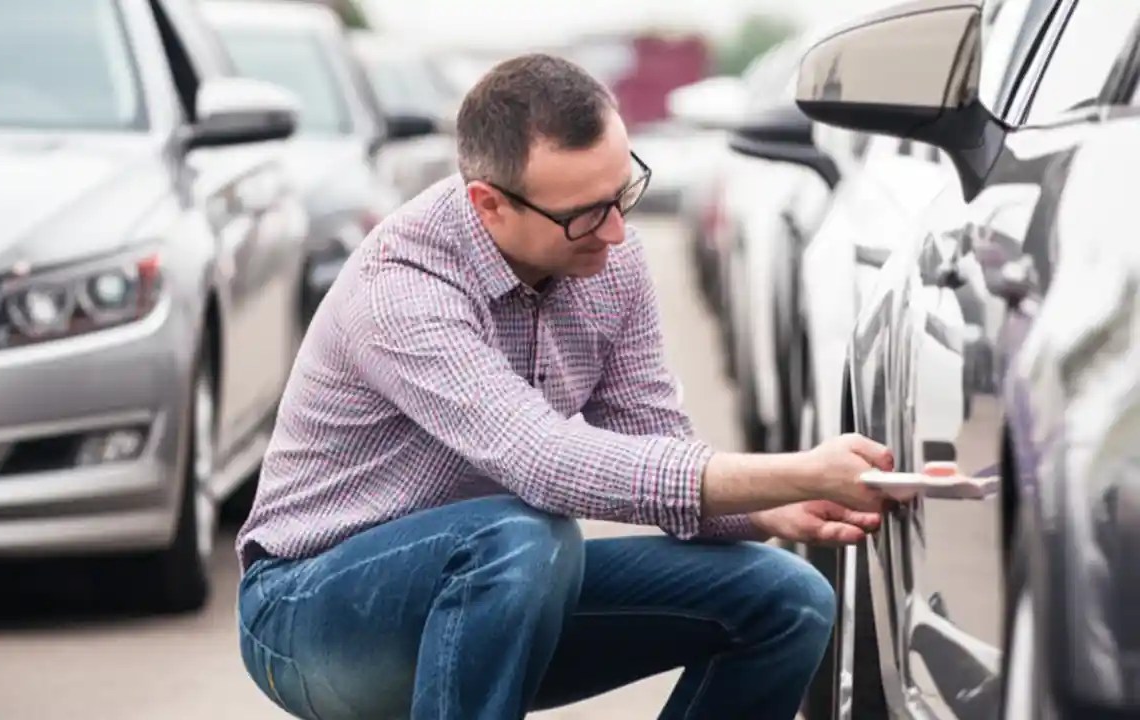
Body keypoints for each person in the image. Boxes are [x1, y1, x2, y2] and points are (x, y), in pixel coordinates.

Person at [235, 53, 893, 720]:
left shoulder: (611, 260)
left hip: (500, 588)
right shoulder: (401, 285)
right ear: (488, 205)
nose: (615, 230)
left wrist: (763, 510)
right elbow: (543, 461)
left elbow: (657, 445)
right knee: (523, 536)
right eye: (584, 214)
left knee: (788, 597)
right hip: (310, 613)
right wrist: (797, 470)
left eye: (622, 194)